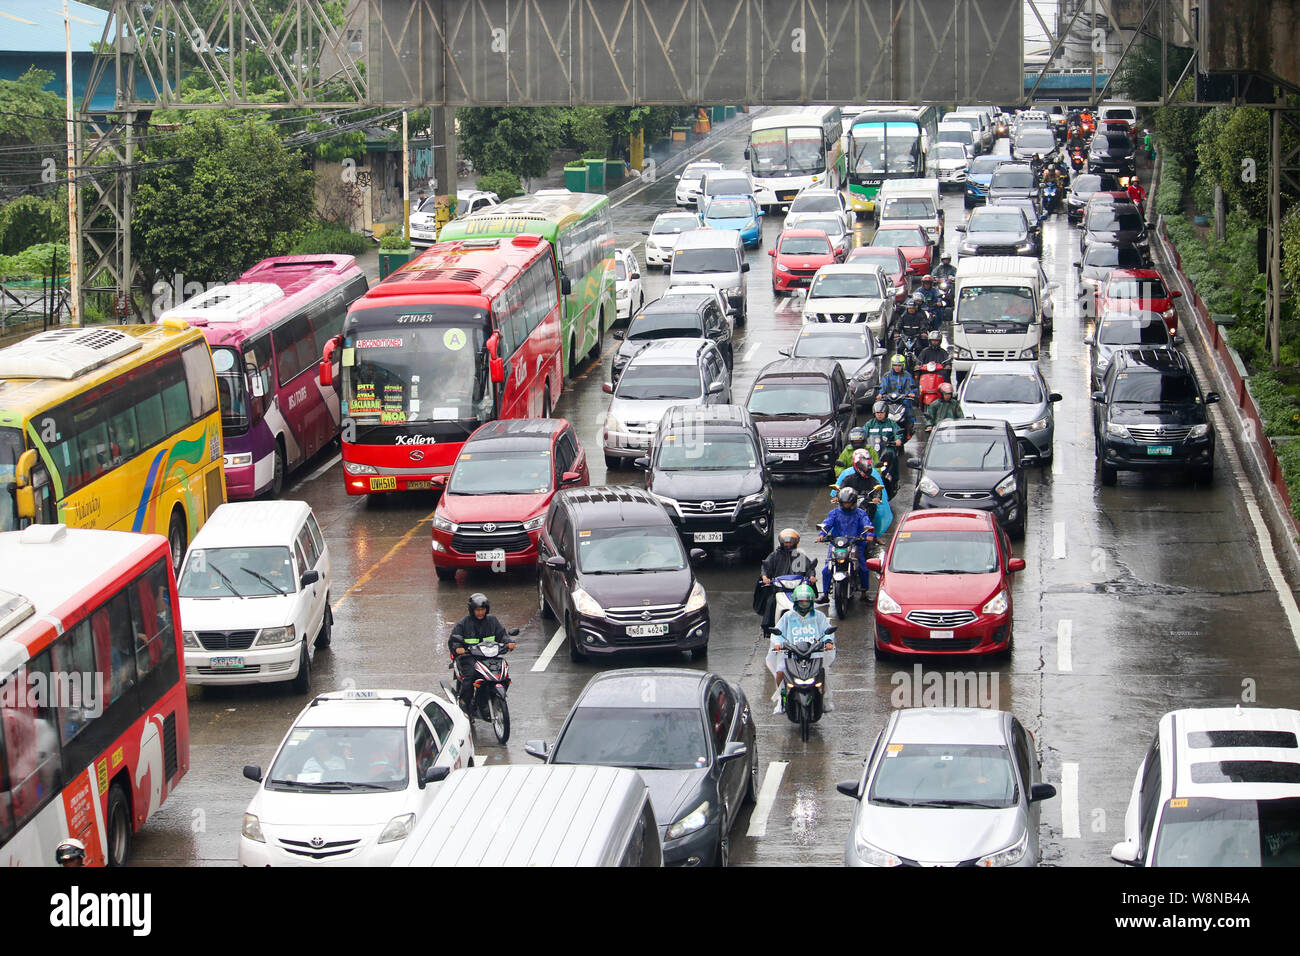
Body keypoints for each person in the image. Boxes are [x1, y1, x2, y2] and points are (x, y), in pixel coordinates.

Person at [767, 583, 835, 713]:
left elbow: (827, 631)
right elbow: (778, 633)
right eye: (801, 602)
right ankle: (783, 697)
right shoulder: (788, 616)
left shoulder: (819, 617)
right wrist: (778, 644)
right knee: (780, 671)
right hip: (791, 654)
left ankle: (823, 700)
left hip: (814, 654)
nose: (804, 604)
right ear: (796, 602)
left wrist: (827, 641)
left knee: (822, 674)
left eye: (806, 602)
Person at [448, 593, 514, 712]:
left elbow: (502, 635)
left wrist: (508, 642)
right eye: (477, 610)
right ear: (472, 610)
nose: (480, 613)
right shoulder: (464, 623)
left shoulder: (492, 621)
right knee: (470, 676)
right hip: (469, 658)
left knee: (504, 675)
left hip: (489, 657)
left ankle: (492, 698)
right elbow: (454, 639)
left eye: (482, 609)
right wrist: (458, 647)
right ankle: (464, 703)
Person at [817, 486, 874, 600]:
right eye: (844, 503)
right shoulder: (834, 513)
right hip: (837, 544)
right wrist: (822, 535)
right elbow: (827, 523)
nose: (846, 505)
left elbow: (867, 524)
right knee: (827, 569)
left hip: (855, 543)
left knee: (863, 567)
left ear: (853, 502)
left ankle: (864, 592)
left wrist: (869, 535)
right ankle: (825, 594)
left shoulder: (860, 513)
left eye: (848, 503)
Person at [756, 528, 818, 631]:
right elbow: (765, 567)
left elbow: (809, 568)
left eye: (790, 542)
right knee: (771, 601)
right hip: (780, 589)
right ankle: (769, 628)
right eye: (786, 542)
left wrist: (811, 577)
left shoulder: (800, 556)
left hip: (798, 589)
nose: (788, 544)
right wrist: (765, 577)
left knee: (808, 602)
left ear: (795, 542)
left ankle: (811, 626)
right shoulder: (774, 556)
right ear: (781, 542)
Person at [836, 449, 893, 537]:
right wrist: (837, 496)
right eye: (864, 465)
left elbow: (878, 489)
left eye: (868, 465)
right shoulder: (848, 477)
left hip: (867, 507)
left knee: (873, 522)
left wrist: (876, 497)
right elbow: (840, 488)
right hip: (850, 506)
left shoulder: (873, 479)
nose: (867, 467)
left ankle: (873, 538)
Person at [880, 355, 918, 434]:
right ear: (892, 365)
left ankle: (909, 430)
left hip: (903, 401)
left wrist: (911, 393)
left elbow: (911, 387)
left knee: (909, 406)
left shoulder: (907, 375)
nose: (897, 367)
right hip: (889, 401)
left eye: (899, 365)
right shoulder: (887, 376)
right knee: (879, 409)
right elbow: (883, 387)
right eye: (895, 365)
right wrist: (880, 394)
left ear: (903, 365)